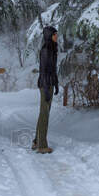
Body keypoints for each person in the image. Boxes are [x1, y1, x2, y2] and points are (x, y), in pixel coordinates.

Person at [33, 24, 59, 153]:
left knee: (44, 112)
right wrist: (47, 86)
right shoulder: (46, 49)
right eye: (55, 34)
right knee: (44, 114)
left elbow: (53, 70)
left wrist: (56, 83)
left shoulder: (52, 48)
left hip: (49, 83)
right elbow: (44, 70)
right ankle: (42, 146)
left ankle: (37, 141)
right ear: (50, 36)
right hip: (45, 84)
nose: (57, 37)